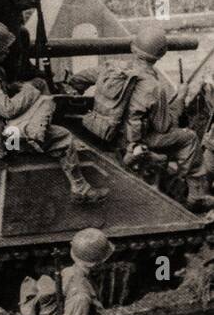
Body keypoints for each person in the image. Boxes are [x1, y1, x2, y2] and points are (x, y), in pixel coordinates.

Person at [0, 22, 108, 204]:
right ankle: (81, 190)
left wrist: (15, 86)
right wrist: (31, 88)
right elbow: (7, 109)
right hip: (2, 139)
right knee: (63, 137)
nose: (8, 53)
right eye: (3, 50)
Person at [78, 24, 212, 207]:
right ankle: (197, 196)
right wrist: (180, 98)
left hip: (108, 133)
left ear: (134, 47)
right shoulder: (153, 87)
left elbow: (80, 79)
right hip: (136, 142)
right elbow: (165, 127)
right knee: (189, 139)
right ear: (161, 54)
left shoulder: (112, 68)